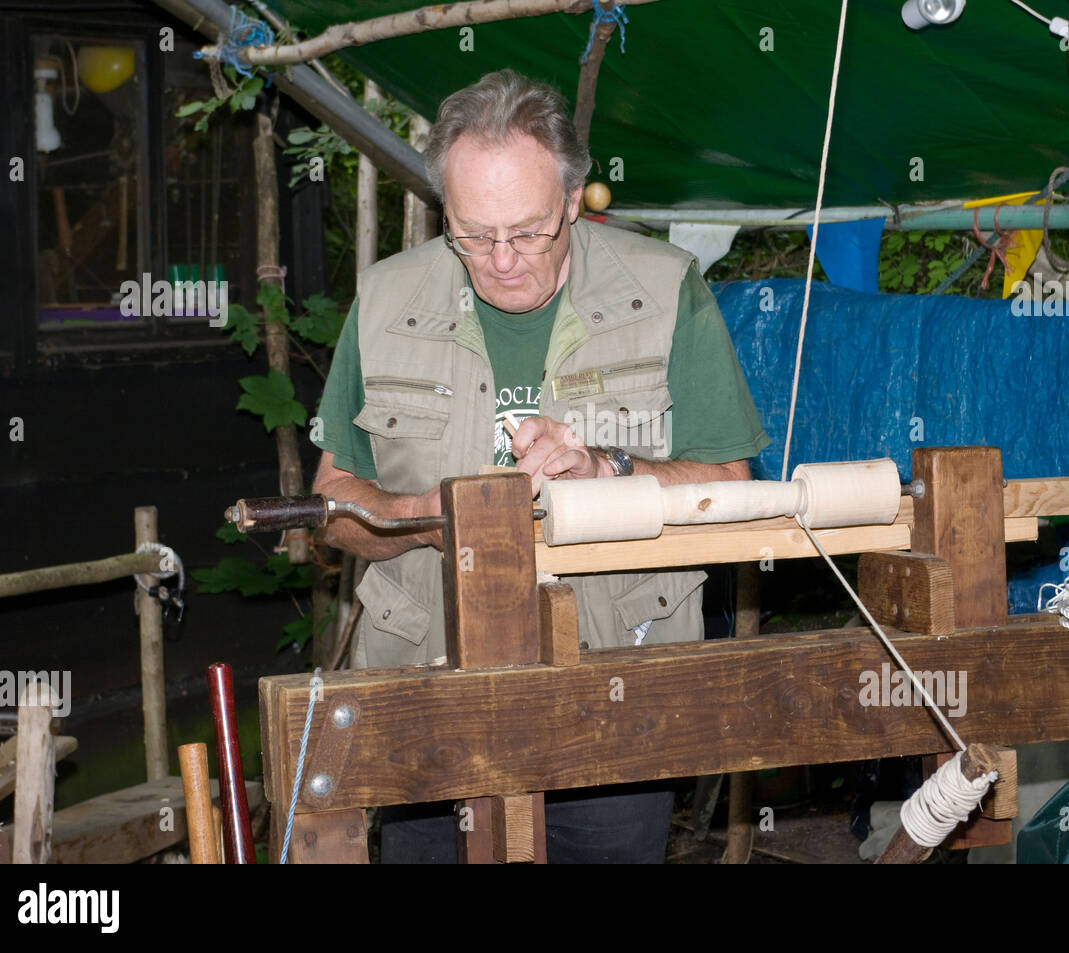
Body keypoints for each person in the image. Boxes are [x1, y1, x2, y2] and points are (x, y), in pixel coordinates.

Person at [311, 68, 769, 863]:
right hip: (425, 700)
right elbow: (331, 504)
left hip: (616, 699)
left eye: (528, 231)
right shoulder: (384, 300)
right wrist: (422, 516)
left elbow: (735, 492)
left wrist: (610, 472)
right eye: (472, 234)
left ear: (572, 198)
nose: (502, 261)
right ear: (443, 210)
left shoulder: (665, 293)